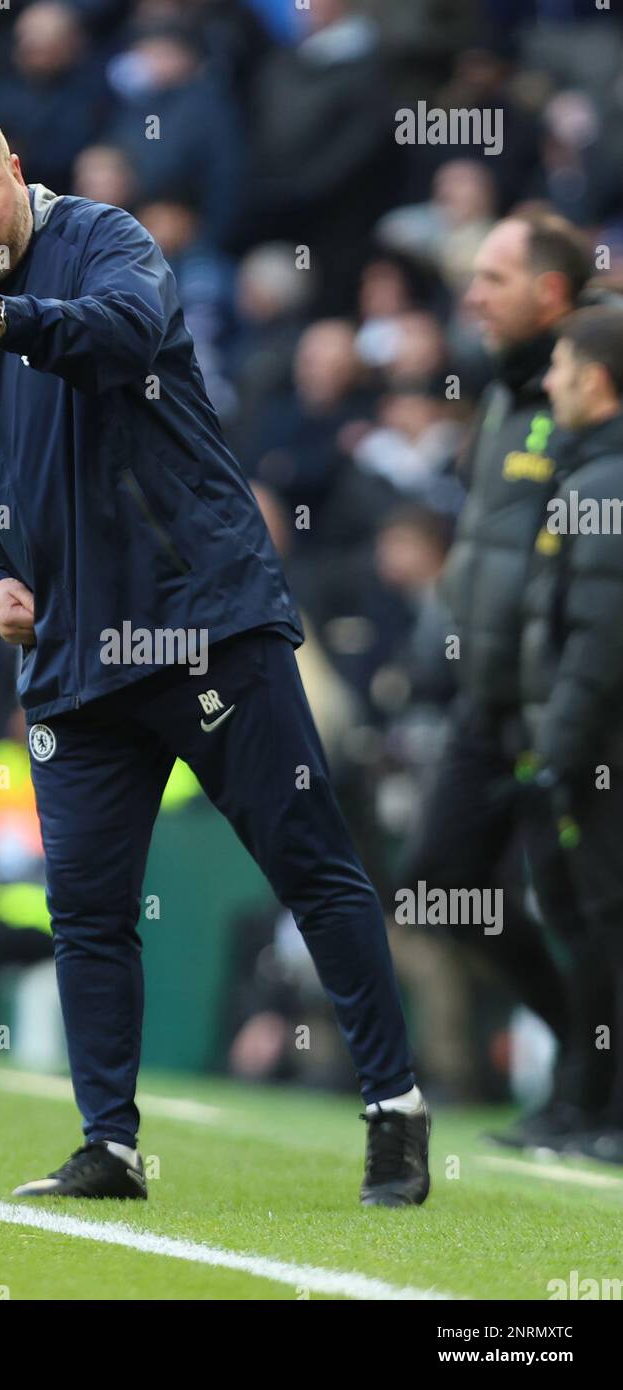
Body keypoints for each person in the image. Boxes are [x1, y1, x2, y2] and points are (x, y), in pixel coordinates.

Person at [0, 100, 429, 1206]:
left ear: (15, 170)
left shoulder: (106, 242)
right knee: (85, 911)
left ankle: (392, 1108)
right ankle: (110, 1146)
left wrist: (10, 322)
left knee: (308, 862)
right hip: (68, 667)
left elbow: (124, 337)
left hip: (199, 627)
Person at [402, 210, 616, 1148]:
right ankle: (582, 1057)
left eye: (494, 278)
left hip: (554, 697)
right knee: (437, 885)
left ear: (552, 293)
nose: (473, 297)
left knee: (586, 902)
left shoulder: (591, 394)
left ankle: (586, 1093)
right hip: (487, 696)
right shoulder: (499, 390)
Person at [520, 306, 623, 1163]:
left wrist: (561, 746)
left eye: (559, 367)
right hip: (588, 742)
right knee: (591, 920)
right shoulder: (586, 473)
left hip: (602, 750)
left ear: (596, 379)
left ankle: (606, 1113)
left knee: (607, 918)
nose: (548, 384)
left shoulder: (604, 485)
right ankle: (588, 1106)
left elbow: (598, 635)